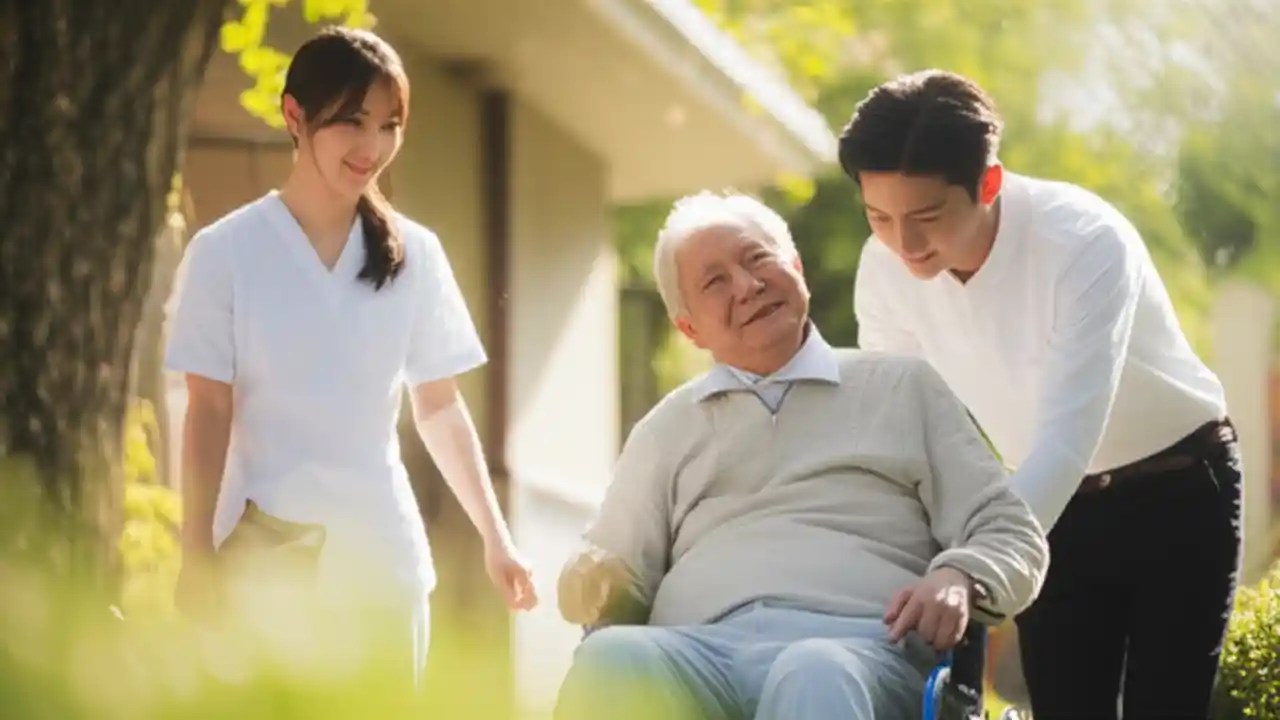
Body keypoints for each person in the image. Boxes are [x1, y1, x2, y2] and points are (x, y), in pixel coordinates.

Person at [552, 192, 1048, 720]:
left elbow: (1009, 529)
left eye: (757, 259)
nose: (747, 286)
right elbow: (610, 565)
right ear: (689, 327)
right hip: (698, 653)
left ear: (796, 268)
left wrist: (960, 576)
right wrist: (592, 578)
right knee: (611, 657)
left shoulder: (903, 387)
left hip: (860, 650)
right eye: (715, 281)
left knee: (814, 669)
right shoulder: (667, 427)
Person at [840, 69, 1242, 719]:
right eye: (878, 217)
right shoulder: (884, 267)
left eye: (926, 217)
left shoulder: (1084, 242)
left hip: (1179, 487)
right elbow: (904, 429)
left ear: (988, 183)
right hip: (1046, 512)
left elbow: (1066, 437)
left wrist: (969, 568)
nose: (904, 244)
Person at [164, 27, 536, 689]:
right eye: (352, 122)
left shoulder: (415, 256)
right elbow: (209, 410)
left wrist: (495, 539)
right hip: (260, 563)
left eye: (390, 125)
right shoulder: (227, 254)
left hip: (381, 565)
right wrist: (195, 551)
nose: (373, 148)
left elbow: (441, 409)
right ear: (295, 117)